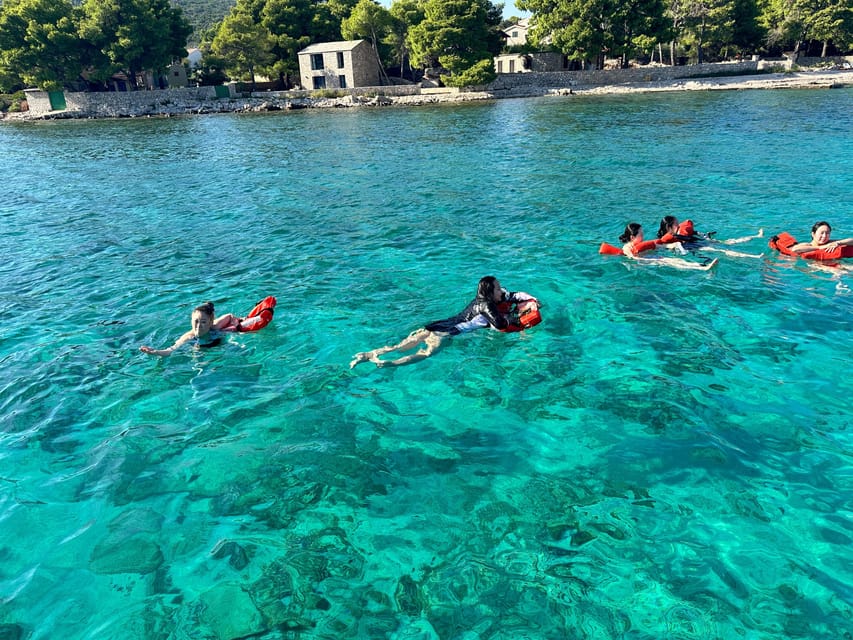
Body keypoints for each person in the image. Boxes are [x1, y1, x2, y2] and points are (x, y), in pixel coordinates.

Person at [349, 276, 539, 368]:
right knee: (424, 354)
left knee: (401, 345)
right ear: (491, 292)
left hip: (436, 325)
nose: (502, 291)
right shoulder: (487, 306)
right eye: (498, 288)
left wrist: (530, 300)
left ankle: (369, 354)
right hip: (445, 334)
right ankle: (388, 364)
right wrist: (521, 319)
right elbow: (500, 326)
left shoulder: (479, 299)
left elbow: (513, 295)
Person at [140, 301, 242, 356]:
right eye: (196, 321)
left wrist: (237, 322)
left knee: (236, 344)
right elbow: (170, 350)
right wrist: (156, 352)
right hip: (201, 349)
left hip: (219, 342)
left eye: (203, 322)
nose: (199, 325)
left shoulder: (214, 326)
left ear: (210, 322)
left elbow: (229, 315)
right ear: (191, 321)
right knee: (196, 355)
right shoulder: (188, 337)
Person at [620, 223, 718, 270]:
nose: (643, 236)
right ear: (632, 237)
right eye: (640, 234)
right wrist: (652, 260)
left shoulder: (640, 244)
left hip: (652, 257)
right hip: (644, 262)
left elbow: (657, 246)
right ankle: (702, 268)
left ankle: (702, 266)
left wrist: (670, 245)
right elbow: (632, 258)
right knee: (672, 262)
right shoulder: (627, 247)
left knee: (677, 260)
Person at [656, 216, 763, 258]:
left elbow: (693, 234)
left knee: (728, 242)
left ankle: (755, 236)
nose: (679, 223)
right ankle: (754, 256)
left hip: (697, 244)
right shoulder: (667, 238)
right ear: (670, 226)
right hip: (694, 247)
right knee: (722, 250)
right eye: (676, 223)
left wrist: (704, 235)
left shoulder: (680, 231)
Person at [788, 221, 853, 254]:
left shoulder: (831, 243)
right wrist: (820, 247)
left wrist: (839, 243)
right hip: (813, 264)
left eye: (827, 233)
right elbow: (795, 249)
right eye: (821, 233)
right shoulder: (808, 245)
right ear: (813, 234)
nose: (824, 236)